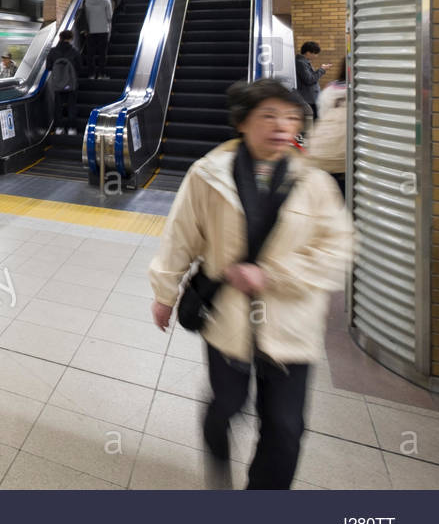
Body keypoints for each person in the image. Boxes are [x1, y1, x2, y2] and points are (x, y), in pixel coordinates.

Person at [148, 79, 352, 490]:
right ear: (243, 122)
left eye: (292, 117)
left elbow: (340, 249)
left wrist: (274, 275)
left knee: (285, 428)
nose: (282, 125)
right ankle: (217, 457)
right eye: (269, 116)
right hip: (229, 319)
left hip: (291, 325)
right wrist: (164, 294)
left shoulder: (314, 182)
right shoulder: (208, 175)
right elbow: (181, 236)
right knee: (226, 405)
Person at [305, 60, 347, 197]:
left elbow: (322, 114)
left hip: (323, 152)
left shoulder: (330, 88)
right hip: (343, 156)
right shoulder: (360, 92)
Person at [45, 30, 80, 135]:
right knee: (71, 105)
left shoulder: (52, 51)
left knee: (58, 106)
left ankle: (59, 128)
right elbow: (79, 67)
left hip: (57, 84)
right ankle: (71, 129)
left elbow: (48, 67)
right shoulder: (74, 52)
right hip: (71, 83)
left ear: (59, 38)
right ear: (71, 39)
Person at [82, 0, 113, 80]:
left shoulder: (85, 0)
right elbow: (109, 16)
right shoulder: (106, 0)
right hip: (103, 30)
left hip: (90, 30)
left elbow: (83, 15)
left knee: (90, 53)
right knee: (102, 53)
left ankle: (91, 74)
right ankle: (101, 74)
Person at [295, 42, 330, 120]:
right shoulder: (301, 63)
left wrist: (321, 69)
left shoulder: (304, 62)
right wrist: (322, 70)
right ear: (308, 53)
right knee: (312, 123)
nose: (316, 56)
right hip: (308, 100)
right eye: (315, 53)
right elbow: (309, 79)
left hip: (311, 99)